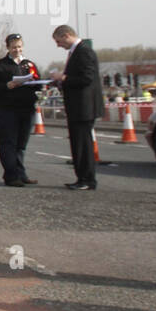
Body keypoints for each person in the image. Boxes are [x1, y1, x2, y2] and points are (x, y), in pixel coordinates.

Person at [51, 24, 102, 190]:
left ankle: (87, 179)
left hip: (84, 107)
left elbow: (86, 78)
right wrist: (61, 82)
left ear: (66, 35)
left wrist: (64, 77)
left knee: (83, 144)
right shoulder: (76, 51)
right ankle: (82, 178)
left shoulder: (84, 51)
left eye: (58, 41)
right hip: (78, 107)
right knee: (78, 143)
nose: (58, 45)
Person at [0, 33, 40, 186]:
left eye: (19, 47)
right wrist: (6, 86)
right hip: (7, 110)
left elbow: (38, 82)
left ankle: (21, 174)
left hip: (27, 109)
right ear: (8, 48)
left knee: (21, 145)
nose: (17, 50)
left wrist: (35, 82)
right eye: (14, 47)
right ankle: (11, 176)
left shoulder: (29, 65)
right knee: (8, 144)